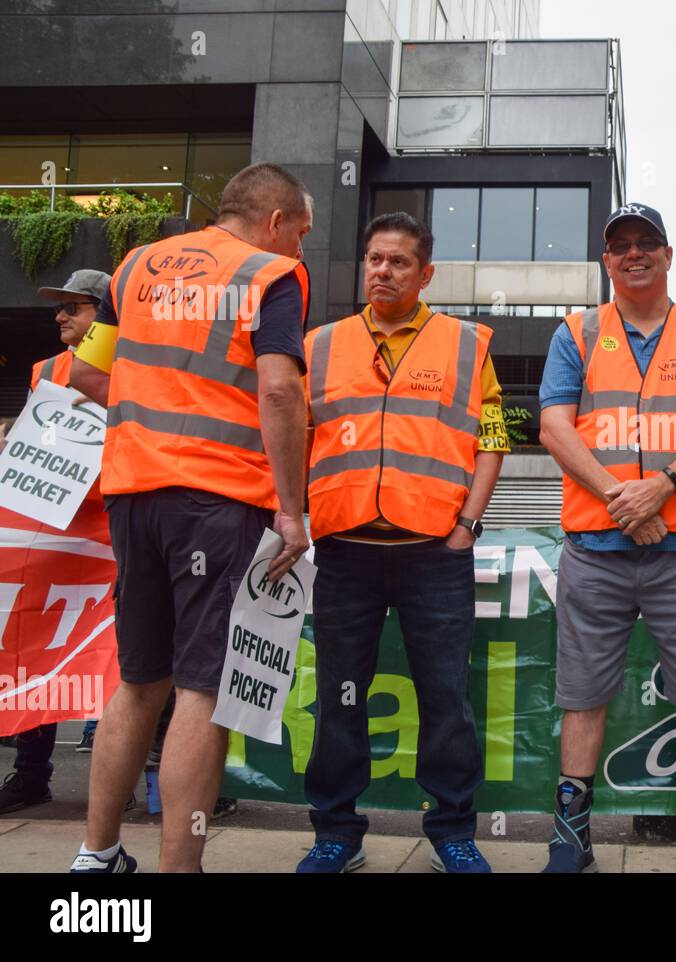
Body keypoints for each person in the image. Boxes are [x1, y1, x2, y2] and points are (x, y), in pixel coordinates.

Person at [67, 162, 313, 873]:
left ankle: (96, 856)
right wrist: (292, 512)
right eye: (300, 231)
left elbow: (85, 372)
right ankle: (181, 868)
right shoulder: (270, 274)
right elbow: (279, 391)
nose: (300, 247)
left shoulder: (136, 266)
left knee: (139, 682)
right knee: (203, 688)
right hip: (216, 500)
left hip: (132, 493)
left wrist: (158, 405)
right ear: (276, 222)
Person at [538, 203, 676, 874]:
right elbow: (553, 427)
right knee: (583, 695)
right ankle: (570, 843)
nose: (633, 253)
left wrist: (663, 483)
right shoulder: (575, 331)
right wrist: (622, 499)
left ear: (668, 254)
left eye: (646, 243)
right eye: (620, 245)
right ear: (606, 260)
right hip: (597, 549)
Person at [296, 212, 508, 874]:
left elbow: (493, 439)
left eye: (398, 262)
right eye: (374, 259)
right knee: (340, 696)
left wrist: (467, 526)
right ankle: (337, 831)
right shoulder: (320, 344)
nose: (383, 270)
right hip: (346, 551)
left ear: (426, 273)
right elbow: (297, 435)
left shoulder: (468, 344)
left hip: (433, 554)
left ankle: (451, 830)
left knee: (446, 696)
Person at [0, 270, 112, 816]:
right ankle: (30, 773)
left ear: (105, 312)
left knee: (123, 655)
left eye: (75, 307)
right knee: (38, 647)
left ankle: (151, 779)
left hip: (114, 530)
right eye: (59, 308)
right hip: (56, 533)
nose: (60, 316)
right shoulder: (44, 370)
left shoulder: (135, 366)